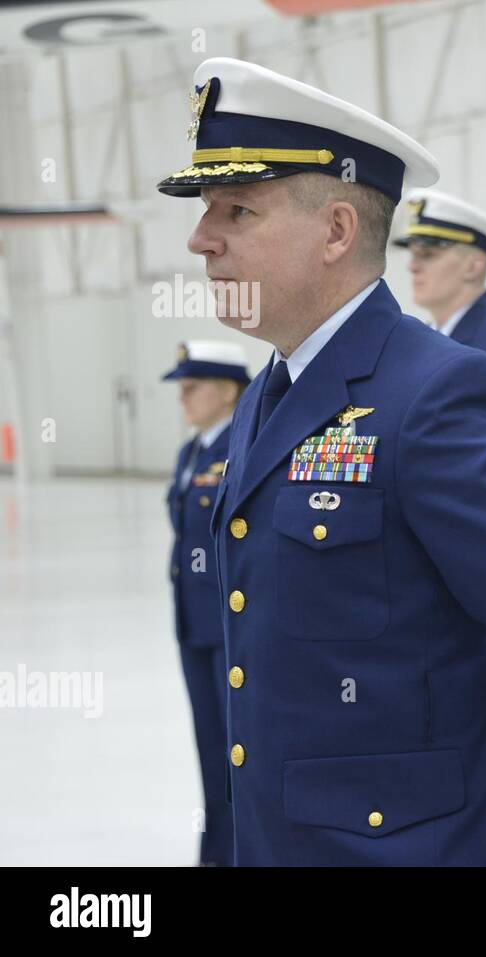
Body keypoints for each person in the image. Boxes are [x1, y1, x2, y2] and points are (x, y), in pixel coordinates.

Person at [158, 57, 486, 866]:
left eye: (236, 208)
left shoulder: (437, 393)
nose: (202, 239)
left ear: (337, 230)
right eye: (206, 211)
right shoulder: (269, 396)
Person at [163, 339, 250, 866]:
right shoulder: (190, 452)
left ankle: (243, 851)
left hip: (229, 627)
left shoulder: (242, 446)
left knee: (238, 752)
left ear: (225, 390)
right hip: (193, 625)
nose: (183, 399)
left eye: (192, 387)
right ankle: (217, 852)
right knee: (209, 744)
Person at [394, 190, 486, 384]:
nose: (412, 266)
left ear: (473, 267)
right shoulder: (414, 339)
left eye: (427, 254)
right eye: (413, 255)